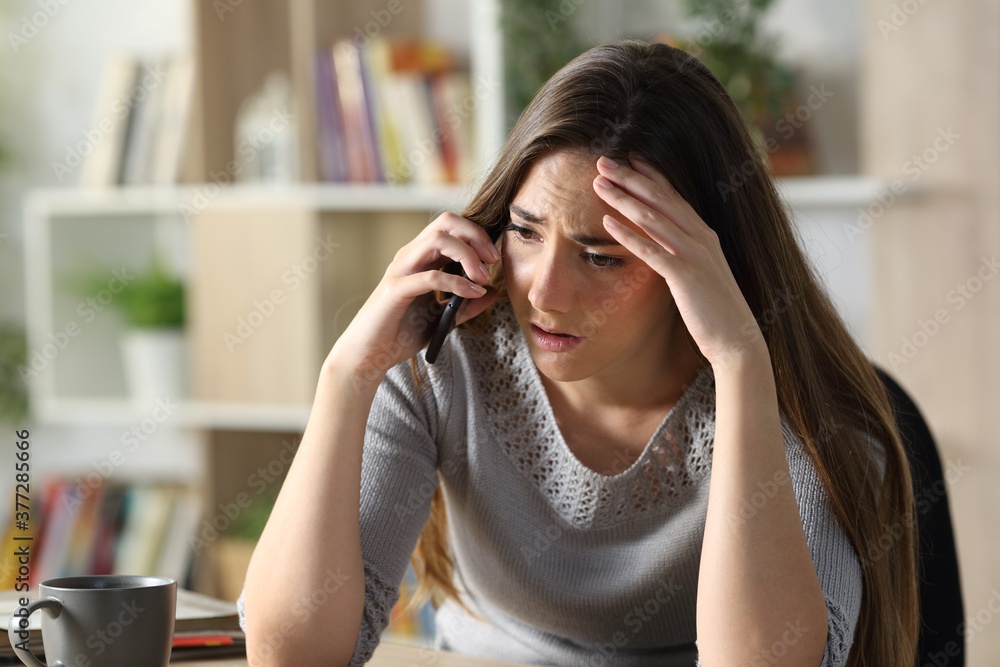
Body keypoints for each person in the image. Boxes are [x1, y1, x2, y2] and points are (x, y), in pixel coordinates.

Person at [237, 40, 918, 667]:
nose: (546, 294)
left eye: (602, 255)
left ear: (706, 263)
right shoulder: (444, 358)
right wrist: (347, 374)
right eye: (527, 233)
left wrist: (741, 362)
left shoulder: (796, 409)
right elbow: (290, 654)